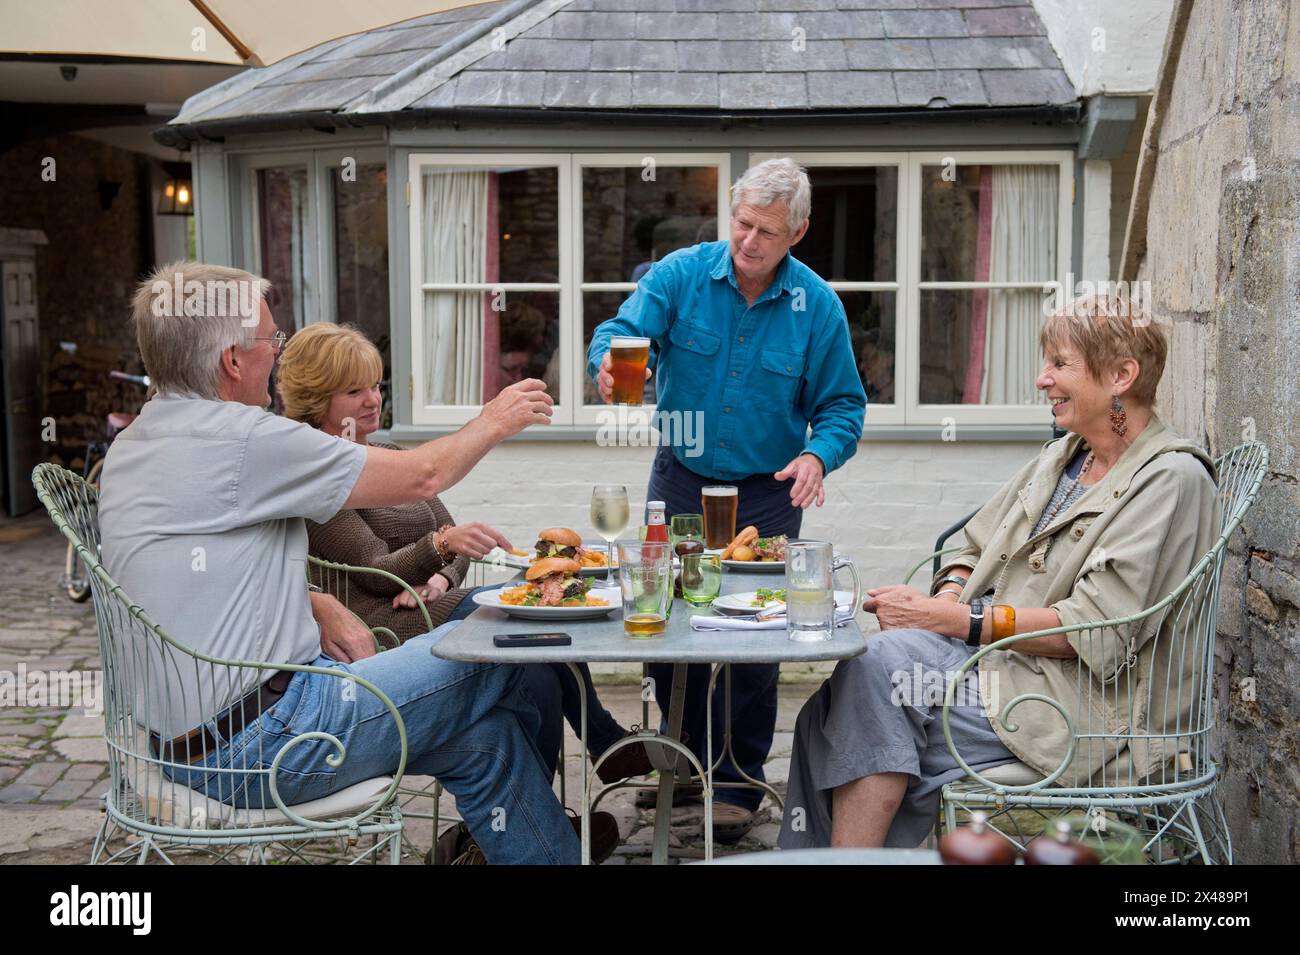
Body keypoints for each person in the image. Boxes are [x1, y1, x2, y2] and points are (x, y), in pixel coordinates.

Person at [99, 261, 580, 864]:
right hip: (272, 741)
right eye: (270, 340)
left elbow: (181, 566)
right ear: (231, 360)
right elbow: (423, 476)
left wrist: (314, 600)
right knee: (513, 639)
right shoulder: (245, 437)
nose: (276, 352)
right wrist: (493, 420)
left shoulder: (137, 441)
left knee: (489, 741)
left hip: (183, 742)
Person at [778, 295, 1219, 849]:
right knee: (838, 697)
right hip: (998, 666)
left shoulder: (1170, 481)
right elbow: (971, 541)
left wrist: (955, 619)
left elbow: (1097, 630)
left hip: (1080, 706)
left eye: (1060, 363)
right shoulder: (1066, 457)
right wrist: (951, 595)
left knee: (873, 684)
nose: (1042, 379)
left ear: (1120, 376)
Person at [586, 158, 867, 840]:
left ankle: (738, 781)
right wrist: (615, 363)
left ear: (796, 232)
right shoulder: (682, 274)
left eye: (767, 231)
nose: (749, 240)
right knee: (667, 624)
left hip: (767, 496)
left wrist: (815, 454)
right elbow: (619, 332)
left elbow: (842, 407)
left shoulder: (817, 306)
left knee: (753, 638)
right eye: (742, 223)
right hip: (681, 479)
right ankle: (683, 766)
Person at [274, 321, 653, 786]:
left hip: (435, 601)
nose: (373, 399)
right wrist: (437, 549)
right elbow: (376, 572)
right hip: (384, 622)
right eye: (354, 391)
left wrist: (443, 575)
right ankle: (598, 746)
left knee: (538, 632)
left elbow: (451, 537)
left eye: (375, 385)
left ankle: (565, 783)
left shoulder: (391, 455)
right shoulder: (317, 477)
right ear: (317, 398)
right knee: (527, 614)